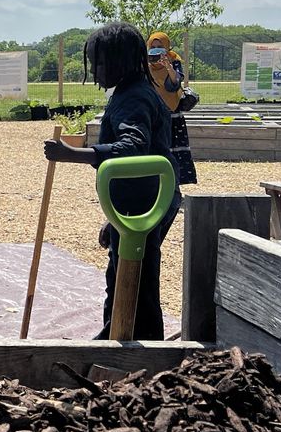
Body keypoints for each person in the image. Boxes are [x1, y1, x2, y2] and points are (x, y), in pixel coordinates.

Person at [44, 23, 181, 340]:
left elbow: (133, 148)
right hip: (138, 204)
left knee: (138, 282)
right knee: (122, 276)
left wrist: (71, 154)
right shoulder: (131, 92)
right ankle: (117, 336)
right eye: (94, 63)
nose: (95, 71)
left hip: (146, 204)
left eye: (100, 63)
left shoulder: (134, 98)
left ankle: (137, 348)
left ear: (121, 61)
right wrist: (114, 220)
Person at [146, 31, 197, 185]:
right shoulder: (144, 63)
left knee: (174, 148)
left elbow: (174, 85)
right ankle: (154, 183)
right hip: (152, 111)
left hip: (171, 111)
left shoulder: (174, 60)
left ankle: (174, 184)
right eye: (153, 47)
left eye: (160, 47)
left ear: (166, 47)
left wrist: (168, 67)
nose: (156, 50)